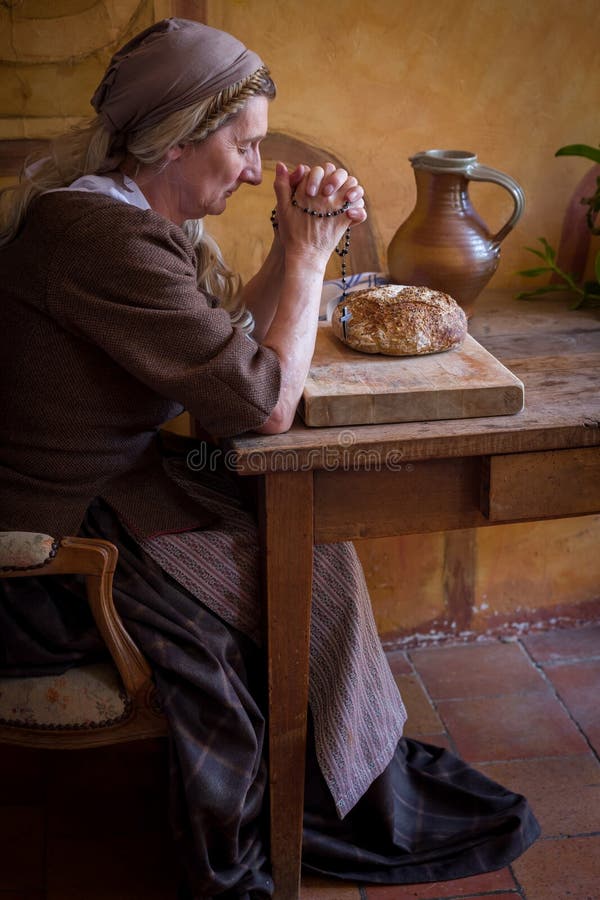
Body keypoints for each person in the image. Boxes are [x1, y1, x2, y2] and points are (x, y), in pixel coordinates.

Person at [0, 18, 540, 900]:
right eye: (244, 145)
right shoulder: (103, 241)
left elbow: (222, 349)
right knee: (300, 558)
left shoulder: (115, 217)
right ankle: (325, 789)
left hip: (105, 493)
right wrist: (308, 258)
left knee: (309, 542)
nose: (255, 171)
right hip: (45, 562)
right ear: (176, 141)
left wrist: (299, 251)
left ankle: (336, 766)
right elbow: (263, 405)